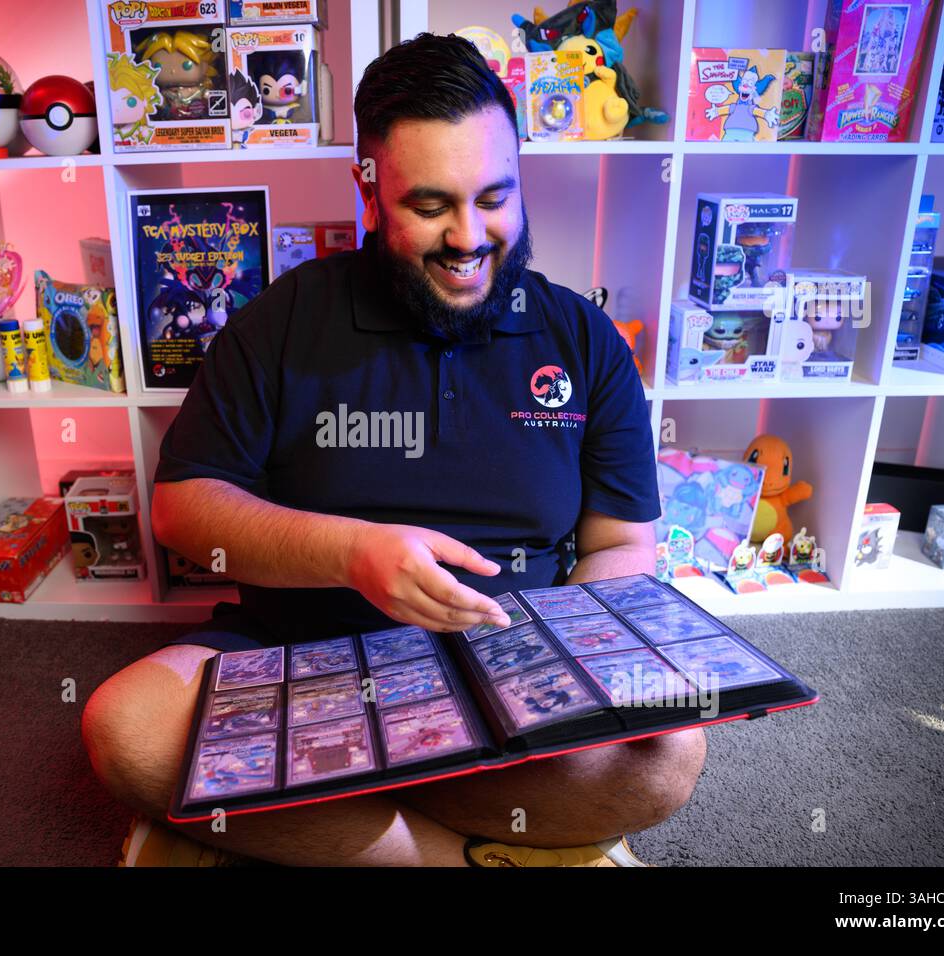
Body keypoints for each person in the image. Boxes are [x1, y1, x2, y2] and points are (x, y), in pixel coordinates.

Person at [83, 32, 706, 868]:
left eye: (495, 198)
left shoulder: (584, 340)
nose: (469, 237)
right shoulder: (282, 322)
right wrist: (351, 553)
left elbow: (621, 543)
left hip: (514, 676)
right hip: (298, 672)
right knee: (125, 727)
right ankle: (443, 855)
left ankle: (325, 812)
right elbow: (182, 510)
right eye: (431, 206)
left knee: (668, 758)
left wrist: (568, 659)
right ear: (369, 187)